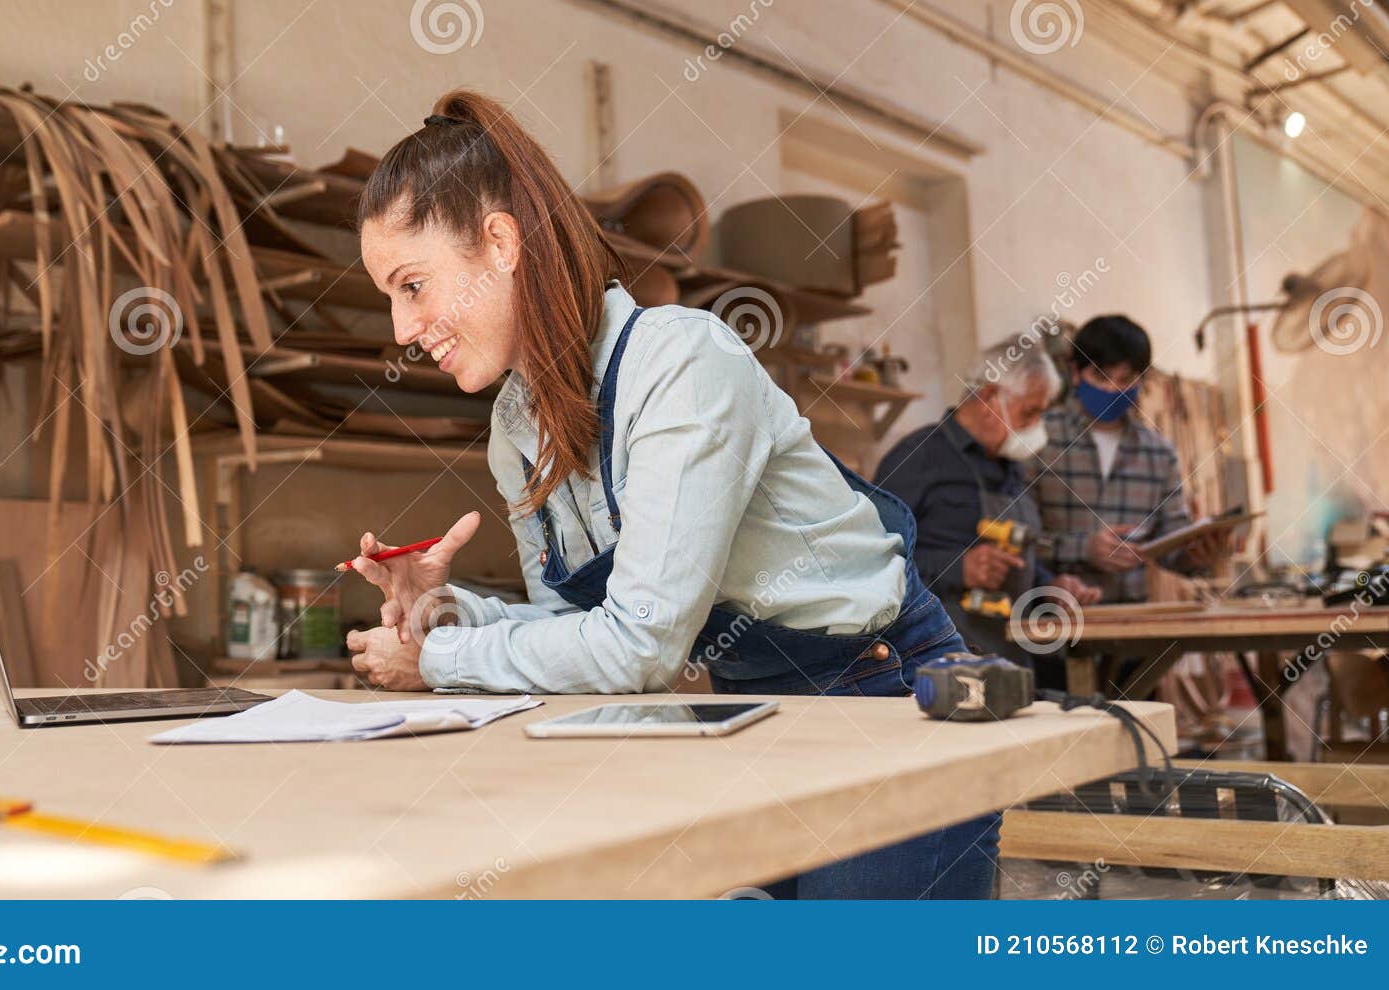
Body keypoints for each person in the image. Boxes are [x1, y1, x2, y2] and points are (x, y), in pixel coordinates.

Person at [341, 90, 998, 899]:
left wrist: (437, 661)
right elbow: (575, 635)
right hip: (756, 711)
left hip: (885, 694)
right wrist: (448, 615)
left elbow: (638, 649)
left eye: (412, 285)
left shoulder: (680, 363)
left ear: (502, 243)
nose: (403, 330)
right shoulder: (516, 426)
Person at [876, 336, 1100, 658]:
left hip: (1013, 657)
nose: (1037, 427)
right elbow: (871, 561)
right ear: (990, 397)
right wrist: (957, 570)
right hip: (938, 664)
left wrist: (1051, 588)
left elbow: (1018, 559)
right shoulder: (916, 459)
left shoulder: (1011, 468)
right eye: (1029, 413)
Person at [1034, 315, 1228, 605]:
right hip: (1052, 621)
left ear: (1142, 379)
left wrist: (1198, 554)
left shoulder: (1158, 453)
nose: (1112, 390)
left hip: (1132, 625)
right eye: (1101, 377)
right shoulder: (1038, 440)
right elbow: (1013, 539)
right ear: (1076, 373)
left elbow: (1172, 549)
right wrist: (1083, 549)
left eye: (1125, 380)